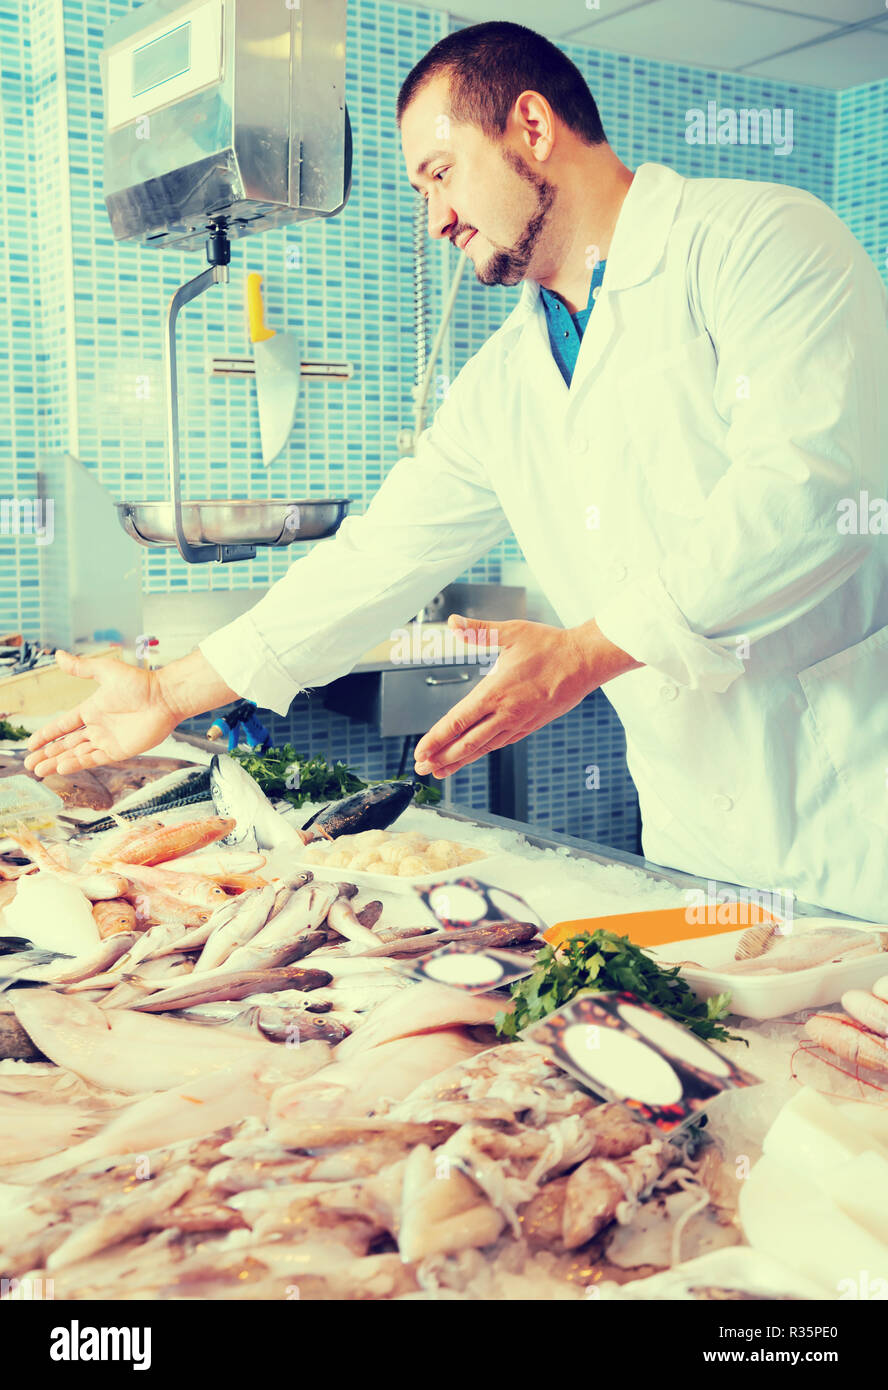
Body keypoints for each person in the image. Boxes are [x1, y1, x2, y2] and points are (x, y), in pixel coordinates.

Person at [25, 22, 888, 920]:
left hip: (854, 830)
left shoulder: (762, 242)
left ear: (531, 127)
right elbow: (377, 559)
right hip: (694, 852)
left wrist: (584, 655)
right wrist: (169, 691)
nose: (433, 216)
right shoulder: (505, 381)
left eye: (440, 173)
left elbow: (812, 496)